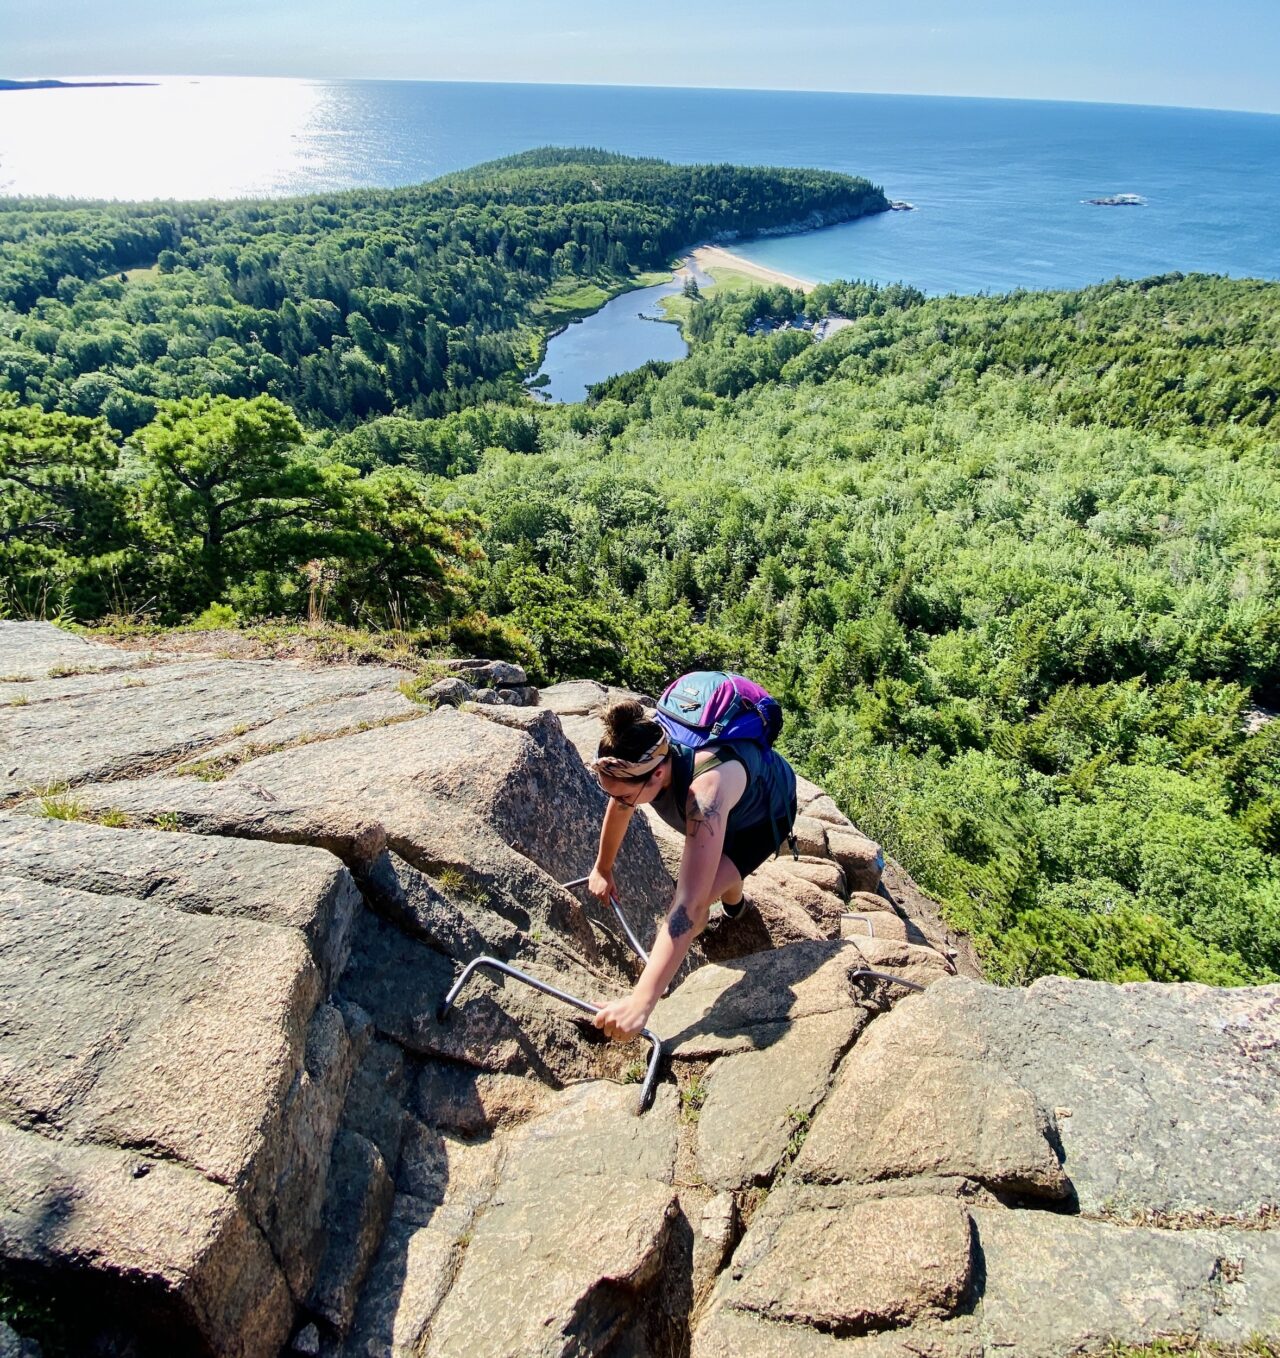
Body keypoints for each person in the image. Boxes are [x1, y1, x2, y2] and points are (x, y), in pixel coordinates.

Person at [587, 698, 796, 1042]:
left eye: (626, 796)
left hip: (759, 820)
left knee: (698, 905)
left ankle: (733, 896)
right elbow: (620, 804)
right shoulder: (644, 755)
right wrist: (602, 867)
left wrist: (641, 1002)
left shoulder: (704, 797)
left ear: (658, 773)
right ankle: (735, 903)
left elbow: (689, 906)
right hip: (724, 812)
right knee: (713, 879)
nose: (621, 802)